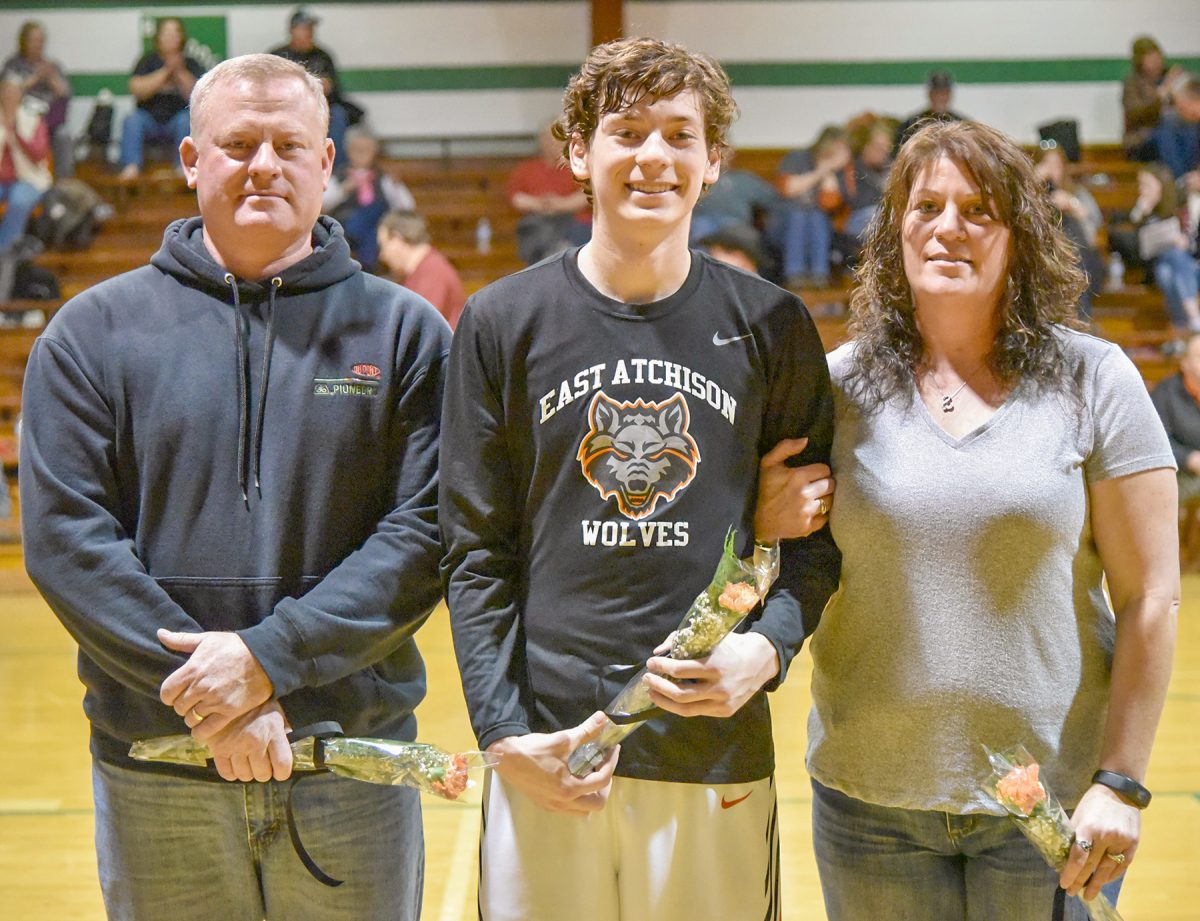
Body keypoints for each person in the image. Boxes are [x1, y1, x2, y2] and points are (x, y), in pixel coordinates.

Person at [20, 53, 449, 920]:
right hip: (156, 760)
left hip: (349, 761)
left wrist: (265, 662)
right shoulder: (90, 335)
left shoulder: (407, 333)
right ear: (190, 159)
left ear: (328, 164)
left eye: (290, 145)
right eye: (239, 143)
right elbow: (69, 542)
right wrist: (214, 702)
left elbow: (426, 532)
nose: (264, 165)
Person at [440, 36, 840, 921]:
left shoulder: (772, 326)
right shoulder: (502, 322)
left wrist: (765, 651)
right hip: (551, 750)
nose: (653, 156)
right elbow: (474, 553)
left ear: (712, 163)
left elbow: (815, 549)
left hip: (713, 755)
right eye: (627, 132)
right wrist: (505, 735)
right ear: (579, 152)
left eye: (678, 135)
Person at [757, 119, 1178, 920]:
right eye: (926, 208)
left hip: (1049, 809)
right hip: (869, 805)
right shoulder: (837, 386)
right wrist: (764, 516)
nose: (948, 226)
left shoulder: (1095, 379)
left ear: (1018, 237)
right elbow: (775, 552)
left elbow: (1152, 596)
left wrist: (1120, 780)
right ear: (895, 234)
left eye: (979, 209)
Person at [118, 16, 204, 180]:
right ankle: (131, 167)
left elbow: (197, 95)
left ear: (181, 37)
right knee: (132, 120)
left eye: (175, 33)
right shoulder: (148, 61)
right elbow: (136, 88)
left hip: (177, 120)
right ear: (158, 37)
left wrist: (179, 72)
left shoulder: (191, 62)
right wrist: (166, 71)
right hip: (149, 120)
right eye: (166, 33)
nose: (171, 37)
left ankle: (183, 168)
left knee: (186, 120)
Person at [322, 126, 415, 269]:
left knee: (377, 211)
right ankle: (368, 265)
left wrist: (397, 186)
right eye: (357, 149)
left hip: (376, 227)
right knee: (369, 226)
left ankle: (365, 260)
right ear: (348, 151)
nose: (362, 154)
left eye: (367, 149)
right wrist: (343, 190)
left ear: (374, 152)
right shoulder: (337, 176)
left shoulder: (384, 177)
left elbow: (407, 207)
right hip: (346, 226)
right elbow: (322, 203)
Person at [772, 124, 851, 289]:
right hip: (784, 224)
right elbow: (787, 188)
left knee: (816, 216)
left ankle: (819, 275)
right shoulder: (798, 158)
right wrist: (820, 173)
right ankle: (794, 275)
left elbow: (830, 204)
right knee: (799, 216)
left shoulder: (841, 172)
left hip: (820, 227)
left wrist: (829, 174)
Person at [270, 8, 351, 168]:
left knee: (338, 115)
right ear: (293, 30)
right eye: (304, 28)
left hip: (318, 108)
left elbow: (330, 88)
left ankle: (335, 169)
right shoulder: (277, 55)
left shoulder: (322, 56)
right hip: (285, 108)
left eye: (311, 28)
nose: (309, 32)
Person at [1034, 144, 1104, 320]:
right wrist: (1034, 184)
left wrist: (1072, 205)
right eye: (1046, 164)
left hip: (1081, 260)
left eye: (1056, 165)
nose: (1051, 171)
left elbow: (1095, 231)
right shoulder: (1032, 196)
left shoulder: (1076, 193)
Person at [507, 121, 591, 264]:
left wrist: (560, 205)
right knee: (535, 233)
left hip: (574, 221)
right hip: (538, 220)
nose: (553, 143)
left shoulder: (579, 167)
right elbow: (516, 197)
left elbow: (586, 195)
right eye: (548, 138)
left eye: (558, 138)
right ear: (540, 141)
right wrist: (542, 204)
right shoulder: (526, 169)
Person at [2, 20, 74, 177]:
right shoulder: (13, 65)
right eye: (34, 40)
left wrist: (51, 77)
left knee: (64, 135)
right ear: (23, 42)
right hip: (22, 120)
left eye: (41, 40)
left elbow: (65, 94)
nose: (38, 44)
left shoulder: (52, 66)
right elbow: (8, 92)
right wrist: (35, 78)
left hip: (48, 120)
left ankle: (64, 185)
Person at [1121, 36, 1198, 177]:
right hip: (1142, 137)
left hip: (1178, 129)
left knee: (1192, 128)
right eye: (1149, 58)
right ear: (1140, 60)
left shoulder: (1170, 75)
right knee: (1165, 128)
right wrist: (1161, 94)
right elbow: (1136, 115)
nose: (1155, 61)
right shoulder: (1132, 83)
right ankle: (1179, 180)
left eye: (1156, 56)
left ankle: (1191, 176)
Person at [377, 209, 465, 329]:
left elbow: (416, 329)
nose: (382, 256)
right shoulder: (422, 270)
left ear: (397, 239)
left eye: (383, 245)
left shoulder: (433, 273)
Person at [0, 73, 51, 252]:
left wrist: (15, 132)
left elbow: (39, 154)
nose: (9, 96)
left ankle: (5, 252)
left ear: (21, 95)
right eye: (6, 92)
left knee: (20, 200)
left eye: (14, 92)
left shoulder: (33, 118)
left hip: (28, 179)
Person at [1151, 332, 1200, 503]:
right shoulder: (1165, 393)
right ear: (1184, 363)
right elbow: (1155, 442)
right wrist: (1189, 459)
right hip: (1180, 475)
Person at [893, 70, 966, 154]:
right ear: (930, 94)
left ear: (950, 95)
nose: (941, 97)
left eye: (945, 93)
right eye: (937, 93)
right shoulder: (911, 124)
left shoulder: (961, 124)